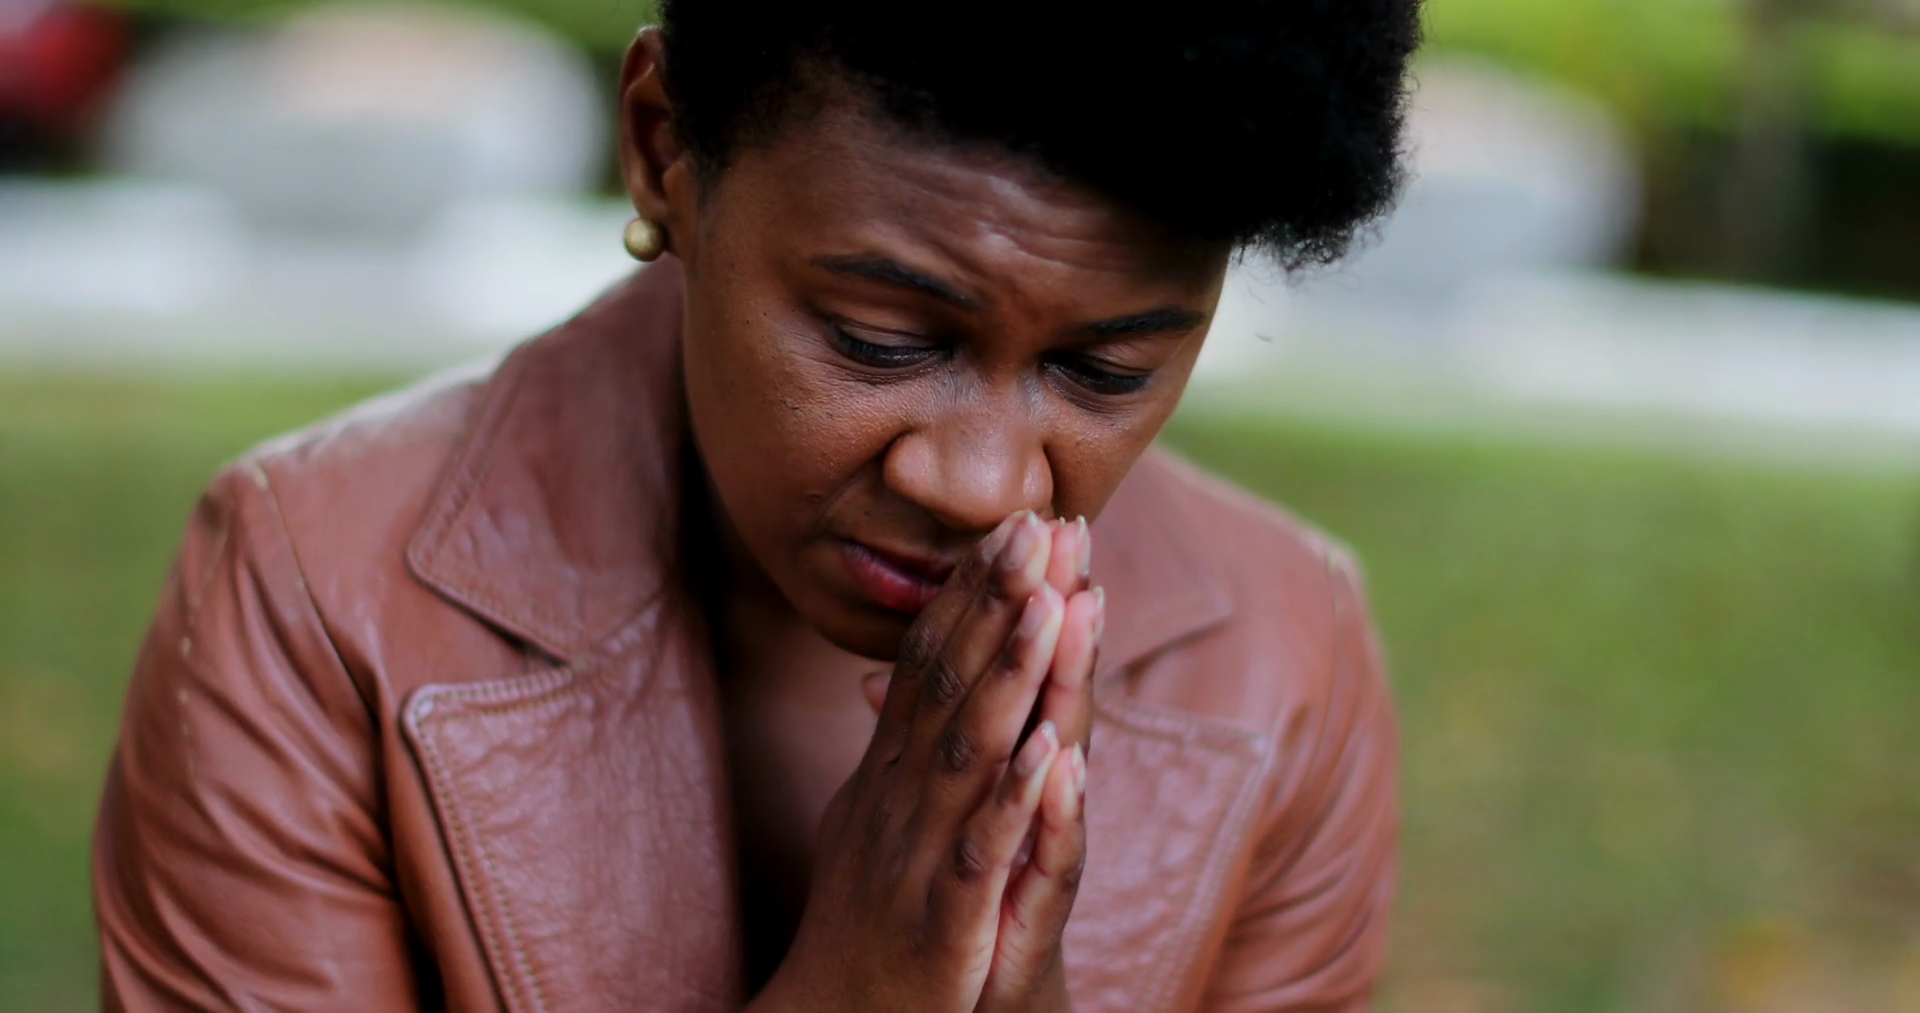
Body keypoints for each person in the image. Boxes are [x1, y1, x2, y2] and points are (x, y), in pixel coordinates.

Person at [92, 0, 1420, 1009]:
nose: (981, 484)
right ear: (666, 146)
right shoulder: (310, 593)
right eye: (880, 338)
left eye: (1103, 370)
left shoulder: (1283, 661)